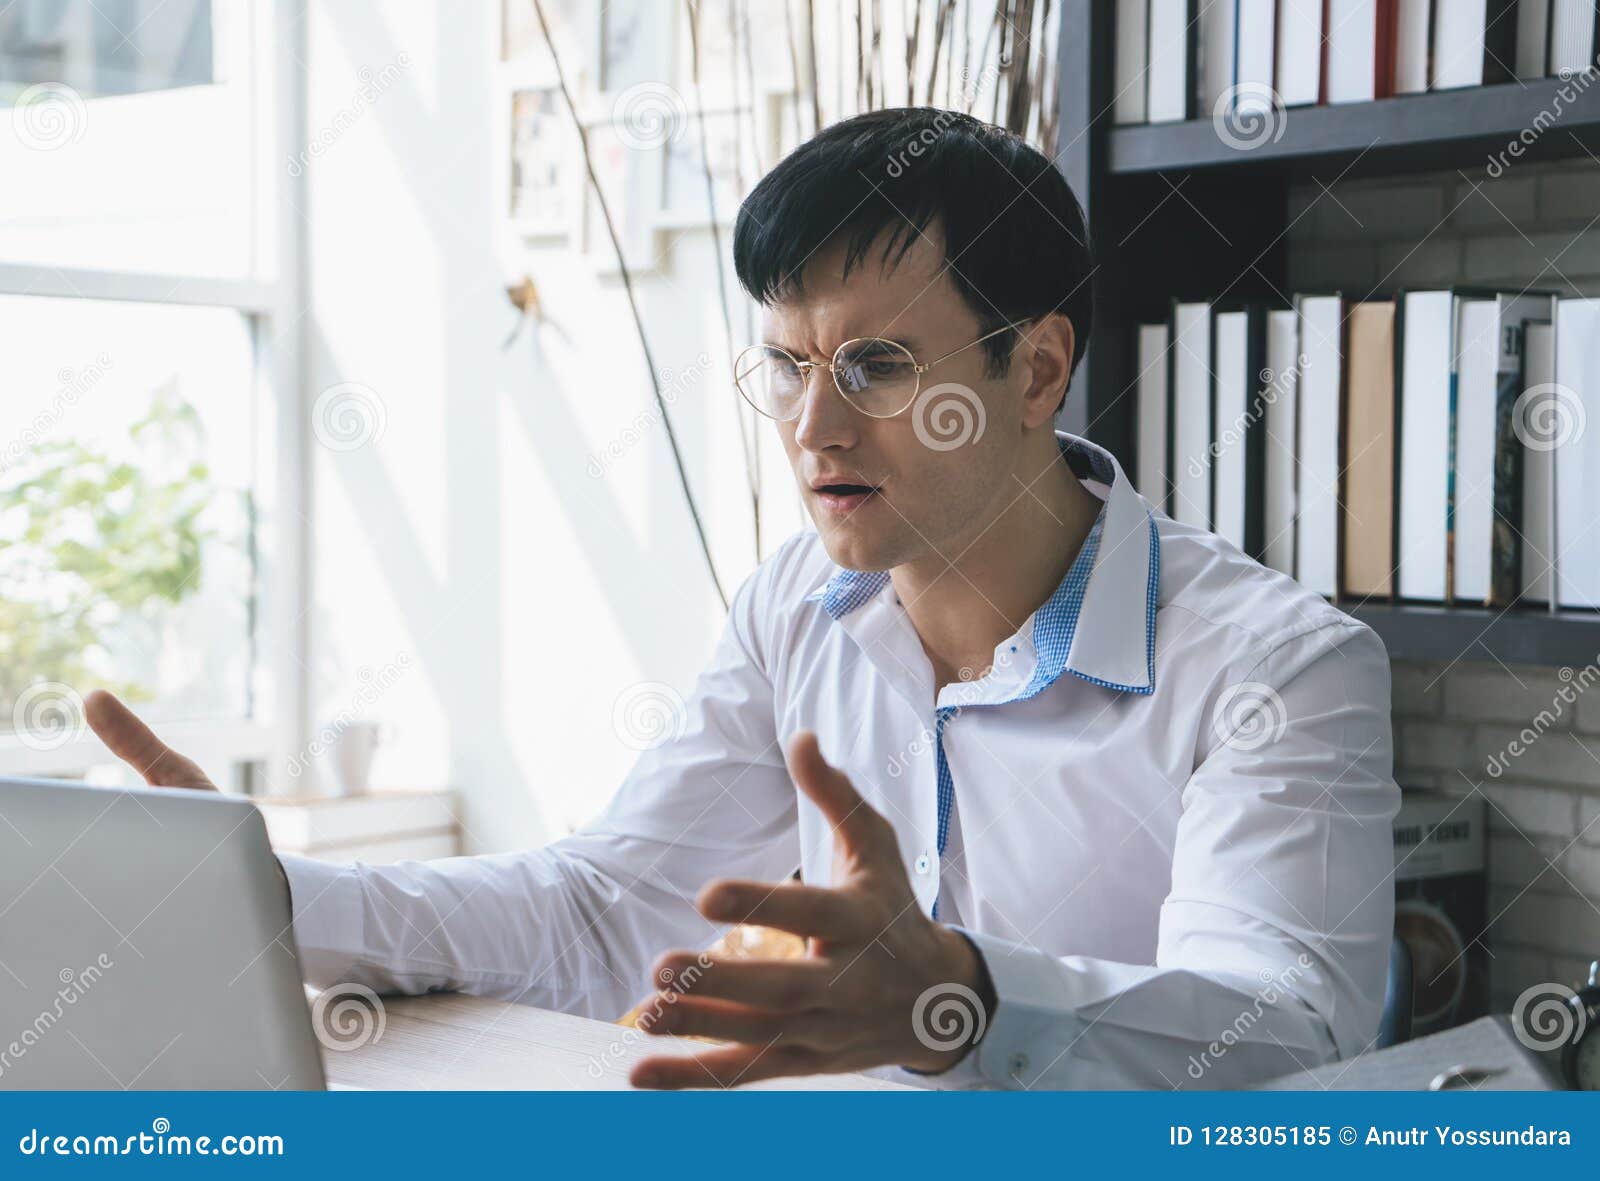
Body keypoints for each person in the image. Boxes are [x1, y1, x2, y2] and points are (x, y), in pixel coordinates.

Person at [83, 107, 1398, 1090]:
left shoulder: (1277, 668)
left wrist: (970, 996)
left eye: (877, 366)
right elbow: (599, 911)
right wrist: (256, 890)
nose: (813, 425)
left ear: (1038, 368)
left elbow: (1285, 1029)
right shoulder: (799, 608)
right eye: (784, 368)